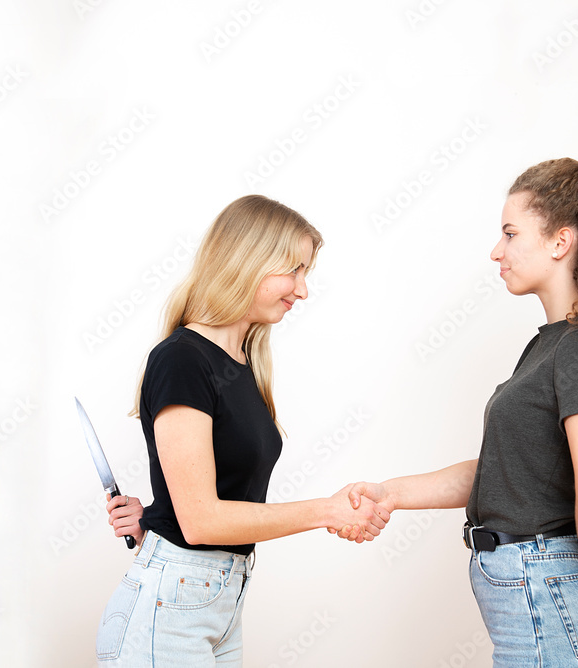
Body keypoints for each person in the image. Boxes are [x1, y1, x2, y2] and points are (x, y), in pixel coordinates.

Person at [336, 148, 578, 666]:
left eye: (511, 233)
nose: (496, 251)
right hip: (544, 607)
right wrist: (391, 493)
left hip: (555, 607)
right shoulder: (552, 345)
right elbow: (508, 469)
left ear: (560, 242)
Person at [96, 194, 391, 667]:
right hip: (173, 610)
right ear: (247, 260)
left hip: (217, 599)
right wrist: (327, 511)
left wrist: (154, 516)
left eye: (306, 274)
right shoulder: (182, 359)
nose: (303, 289)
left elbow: (206, 498)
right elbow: (202, 521)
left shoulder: (243, 366)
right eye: (293, 270)